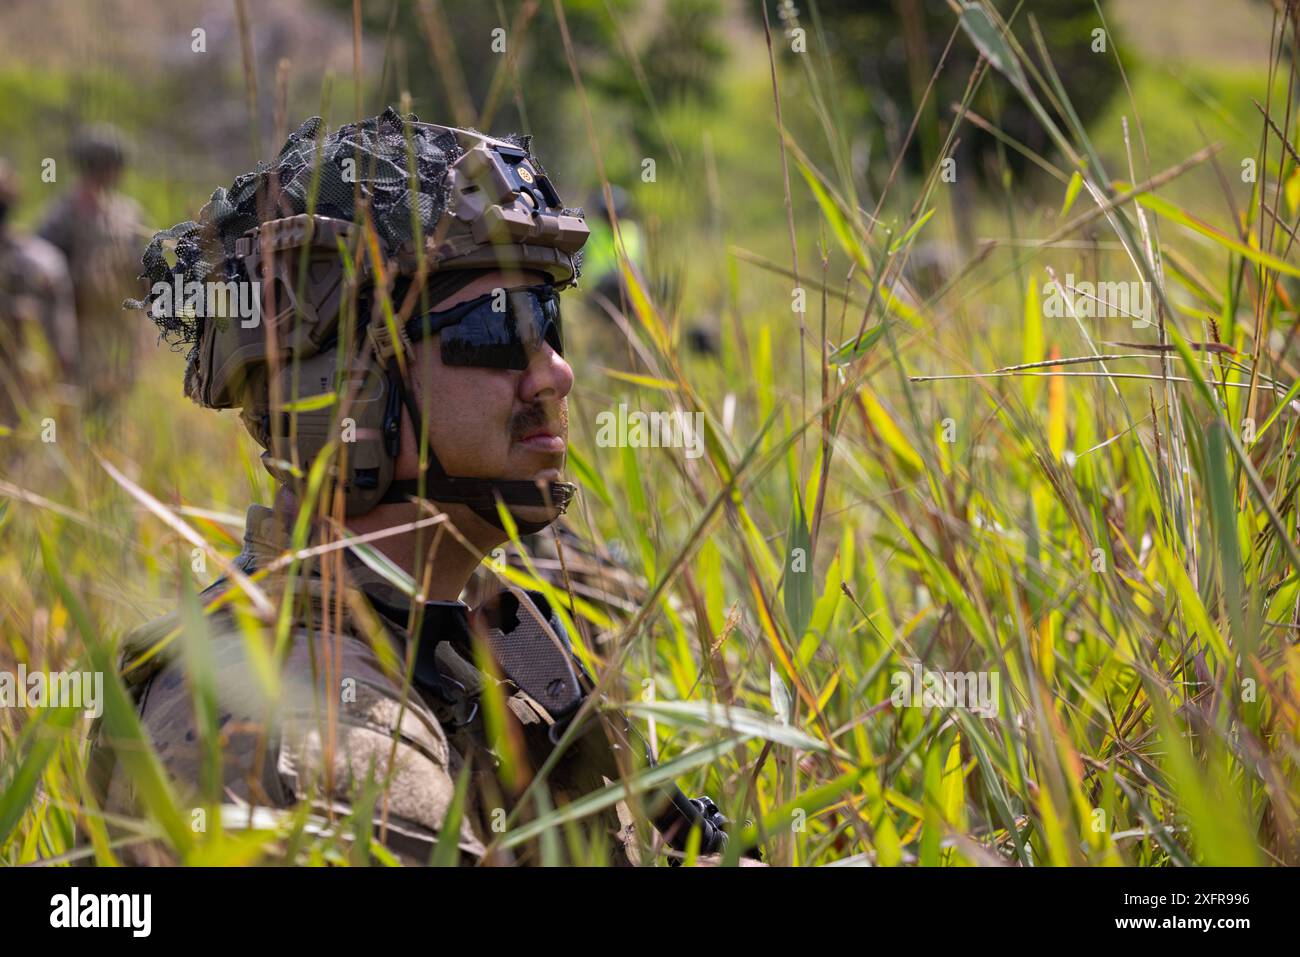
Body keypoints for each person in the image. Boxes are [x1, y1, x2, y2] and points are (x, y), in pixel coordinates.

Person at [87, 108, 735, 866]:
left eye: (548, 320)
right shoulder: (319, 735)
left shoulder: (472, 632)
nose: (554, 371)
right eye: (498, 329)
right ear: (344, 390)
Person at [37, 123, 146, 407]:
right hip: (78, 323)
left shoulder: (127, 212)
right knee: (80, 398)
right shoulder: (63, 213)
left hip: (119, 324)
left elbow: (142, 268)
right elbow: (43, 268)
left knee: (116, 396)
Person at [0, 157, 78, 425]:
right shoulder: (42, 259)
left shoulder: (39, 261)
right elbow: (64, 351)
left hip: (21, 391)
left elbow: (63, 348)